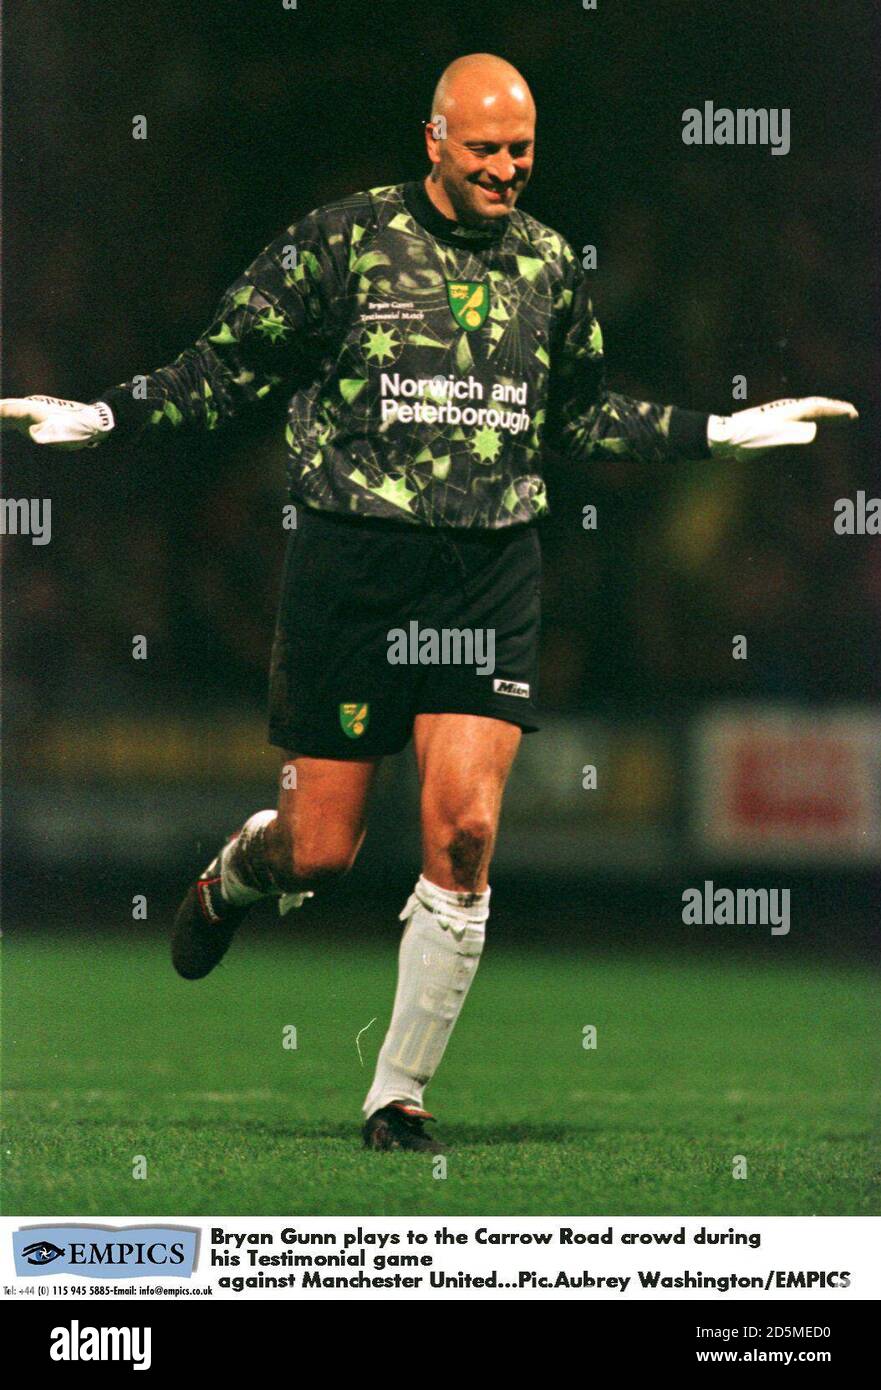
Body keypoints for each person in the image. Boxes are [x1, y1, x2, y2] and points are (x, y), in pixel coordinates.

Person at [1, 53, 857, 1153]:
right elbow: (224, 365)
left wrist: (713, 431)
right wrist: (112, 417)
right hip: (351, 570)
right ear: (434, 141)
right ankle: (237, 873)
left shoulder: (550, 264)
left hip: (488, 569)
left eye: (523, 149)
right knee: (320, 852)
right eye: (487, 148)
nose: (507, 168)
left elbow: (577, 416)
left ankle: (395, 1093)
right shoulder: (339, 243)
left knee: (462, 829)